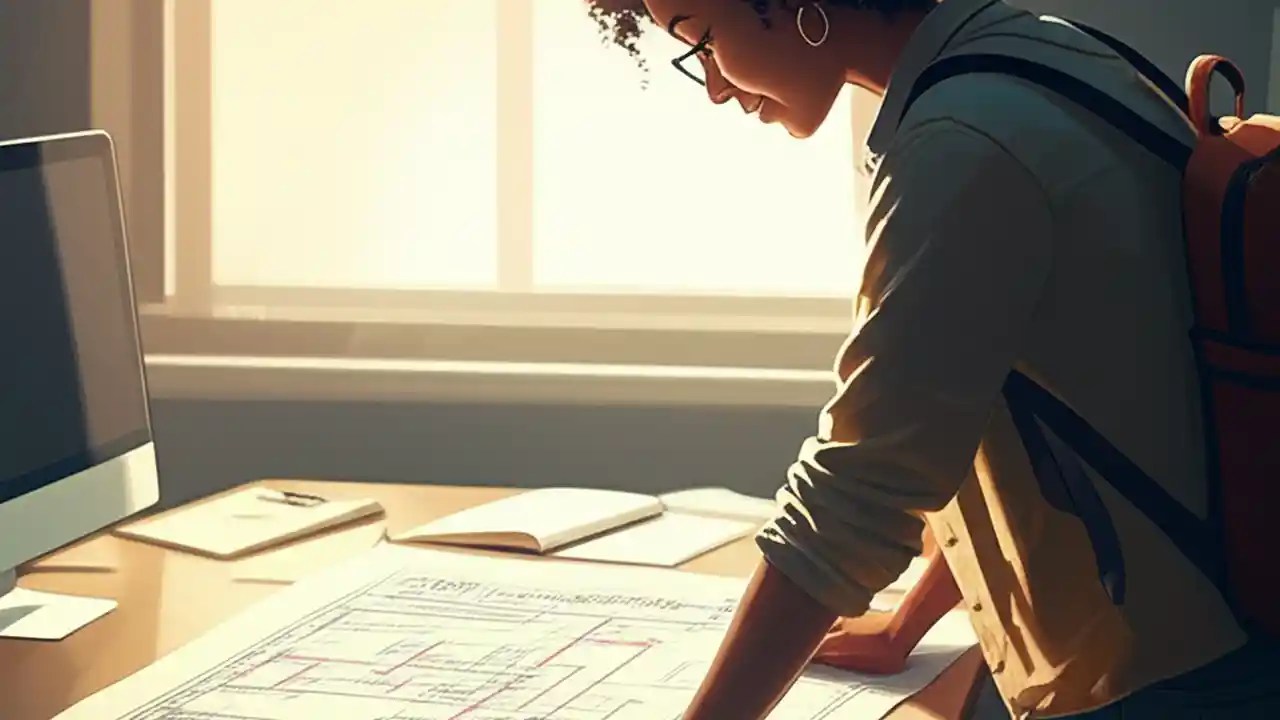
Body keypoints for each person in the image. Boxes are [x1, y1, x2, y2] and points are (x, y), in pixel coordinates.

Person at [584, 1, 1280, 718]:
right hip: (1218, 628)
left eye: (702, 38)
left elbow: (857, 490)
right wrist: (904, 624)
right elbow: (1016, 401)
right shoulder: (1038, 55)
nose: (714, 85)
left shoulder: (962, 142)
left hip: (1175, 684)